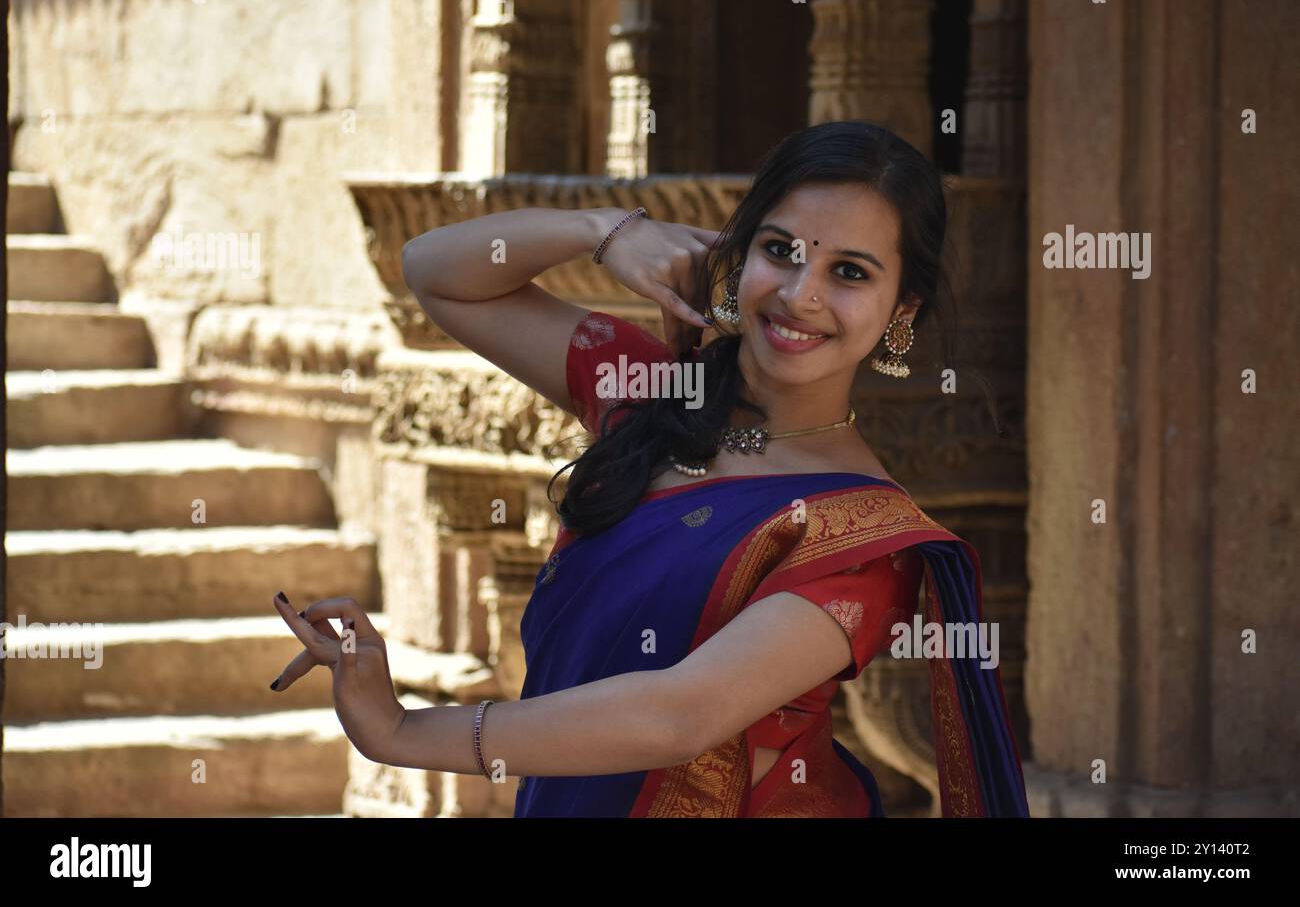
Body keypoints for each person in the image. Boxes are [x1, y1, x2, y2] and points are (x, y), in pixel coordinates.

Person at [270, 119, 1030, 818]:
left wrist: (402, 730)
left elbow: (679, 715)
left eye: (851, 273)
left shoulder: (866, 538)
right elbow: (431, 269)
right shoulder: (654, 393)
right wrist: (602, 231)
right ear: (737, 253)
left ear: (901, 311)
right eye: (780, 251)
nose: (801, 296)